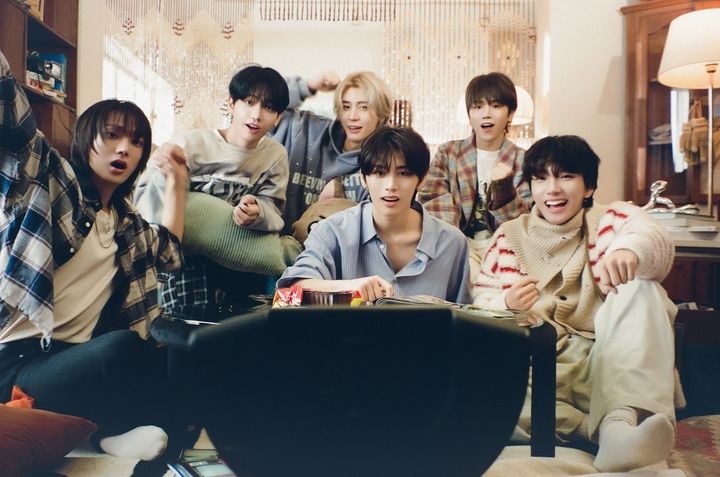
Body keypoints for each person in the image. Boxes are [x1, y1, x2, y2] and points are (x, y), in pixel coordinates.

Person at [0, 49, 192, 462]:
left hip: (75, 363)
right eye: (112, 135)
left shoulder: (127, 225)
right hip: (14, 367)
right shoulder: (55, 183)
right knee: (122, 348)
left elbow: (171, 253)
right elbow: (16, 127)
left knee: (181, 361)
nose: (124, 149)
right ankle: (106, 435)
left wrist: (178, 181)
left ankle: (107, 437)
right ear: (87, 137)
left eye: (137, 142)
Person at [472, 135, 677, 472]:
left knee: (643, 289)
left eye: (566, 176)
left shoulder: (609, 220)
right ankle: (604, 435)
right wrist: (505, 302)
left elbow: (650, 236)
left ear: (589, 187)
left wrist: (630, 251)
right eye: (541, 178)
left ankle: (619, 419)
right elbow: (479, 304)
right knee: (480, 388)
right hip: (536, 365)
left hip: (605, 359)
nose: (552, 189)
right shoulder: (509, 236)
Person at [135, 64, 290, 310]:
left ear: (278, 117)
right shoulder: (190, 143)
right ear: (231, 104)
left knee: (248, 317)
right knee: (190, 318)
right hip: (187, 263)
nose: (256, 115)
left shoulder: (275, 156)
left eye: (269, 108)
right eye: (249, 102)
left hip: (241, 263)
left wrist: (257, 212)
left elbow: (274, 210)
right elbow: (148, 201)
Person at [278, 127, 471, 304]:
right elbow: (287, 296)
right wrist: (348, 288)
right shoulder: (332, 232)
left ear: (422, 179)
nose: (391, 185)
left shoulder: (452, 243)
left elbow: (463, 320)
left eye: (403, 173)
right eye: (379, 173)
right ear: (364, 178)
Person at [417, 72, 531, 277]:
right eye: (478, 107)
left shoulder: (523, 160)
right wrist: (454, 248)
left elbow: (525, 222)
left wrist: (504, 191)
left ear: (511, 114)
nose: (486, 114)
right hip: (459, 244)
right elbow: (434, 202)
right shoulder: (449, 153)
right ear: (469, 114)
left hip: (505, 247)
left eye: (495, 106)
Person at [269, 70, 393, 234]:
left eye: (363, 107)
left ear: (381, 114)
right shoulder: (306, 130)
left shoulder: (381, 169)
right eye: (346, 107)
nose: (352, 116)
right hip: (272, 242)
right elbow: (265, 99)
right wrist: (308, 85)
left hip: (327, 249)